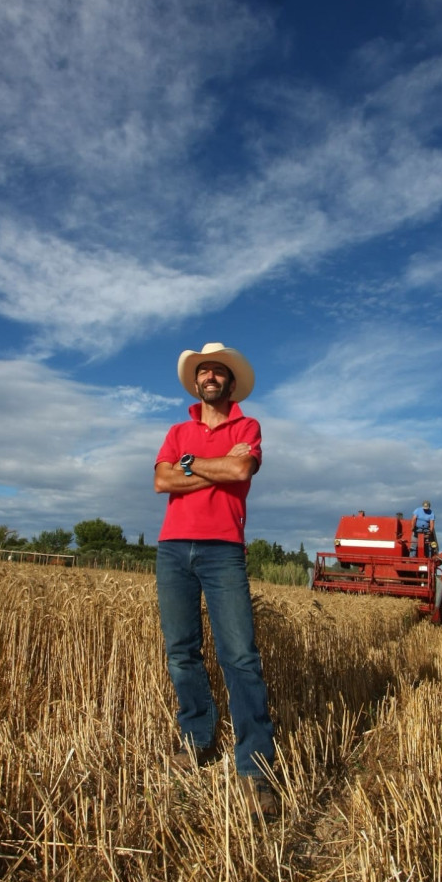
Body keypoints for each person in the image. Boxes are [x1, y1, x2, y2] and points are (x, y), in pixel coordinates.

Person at [154, 342, 277, 822]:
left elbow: (241, 468)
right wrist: (213, 466)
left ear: (230, 382)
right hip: (172, 549)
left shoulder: (247, 427)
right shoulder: (177, 430)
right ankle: (196, 740)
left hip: (223, 549)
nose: (210, 376)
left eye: (218, 371)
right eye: (203, 371)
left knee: (240, 656)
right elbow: (162, 481)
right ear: (195, 381)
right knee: (181, 651)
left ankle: (255, 767)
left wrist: (187, 466)